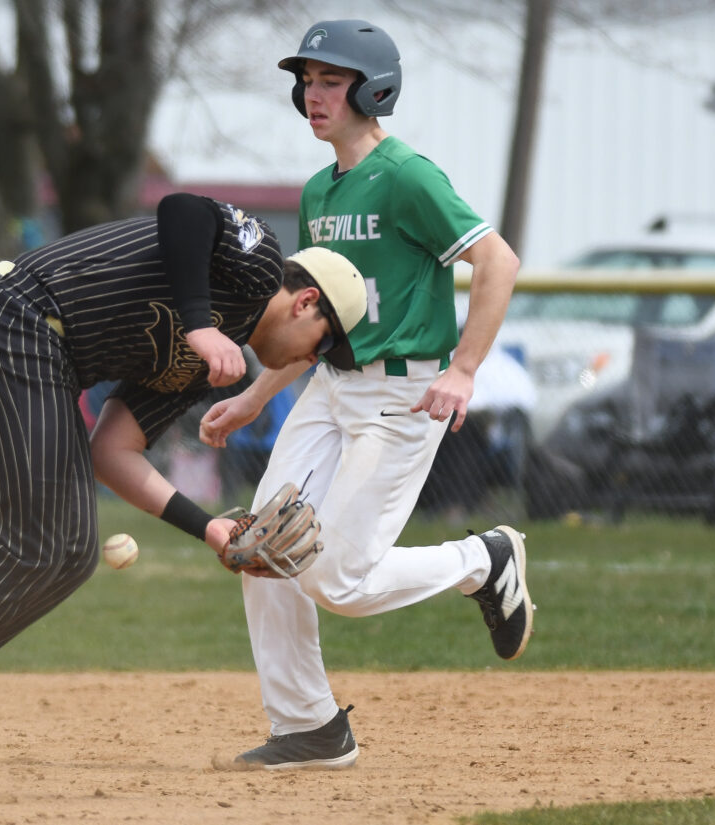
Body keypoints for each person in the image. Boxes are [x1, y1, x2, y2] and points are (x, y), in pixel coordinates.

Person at [0, 192, 370, 798]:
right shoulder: (258, 265)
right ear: (305, 302)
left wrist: (209, 528)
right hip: (15, 318)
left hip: (42, 353)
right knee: (37, 547)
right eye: (325, 345)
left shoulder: (213, 365)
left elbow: (113, 450)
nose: (313, 360)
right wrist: (199, 324)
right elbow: (183, 210)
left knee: (66, 556)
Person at [199, 19, 531, 770]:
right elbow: (315, 326)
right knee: (264, 547)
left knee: (338, 578)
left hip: (402, 396)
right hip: (331, 388)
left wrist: (466, 368)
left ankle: (482, 559)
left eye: (331, 80)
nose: (314, 95)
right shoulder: (320, 191)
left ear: (372, 88)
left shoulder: (408, 175)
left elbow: (497, 259)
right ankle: (309, 725)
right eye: (307, 80)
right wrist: (257, 396)